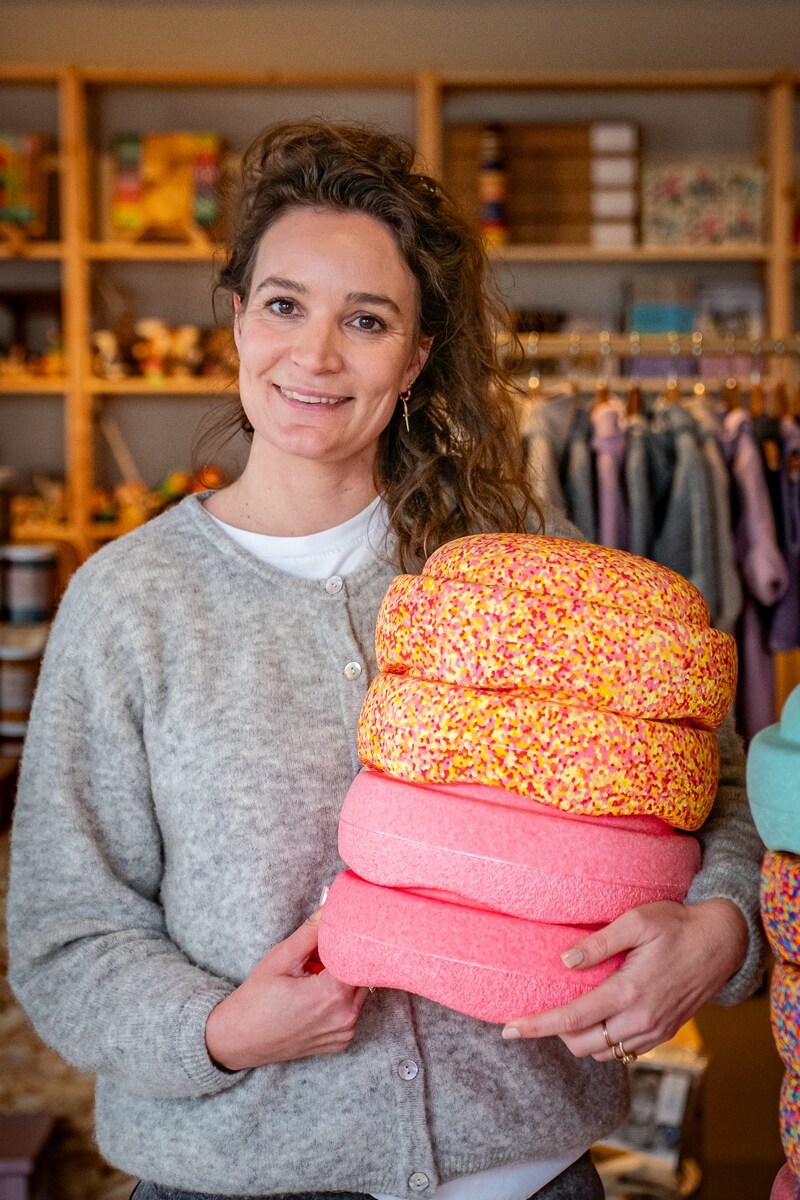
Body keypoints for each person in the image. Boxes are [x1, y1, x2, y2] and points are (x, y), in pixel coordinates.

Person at [7, 121, 765, 1200]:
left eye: (364, 320)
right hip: (232, 1177)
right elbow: (64, 929)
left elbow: (711, 777)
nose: (314, 355)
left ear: (412, 361)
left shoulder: (519, 562)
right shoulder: (130, 604)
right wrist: (217, 1030)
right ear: (235, 323)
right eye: (283, 305)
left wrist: (717, 925)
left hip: (532, 1176)